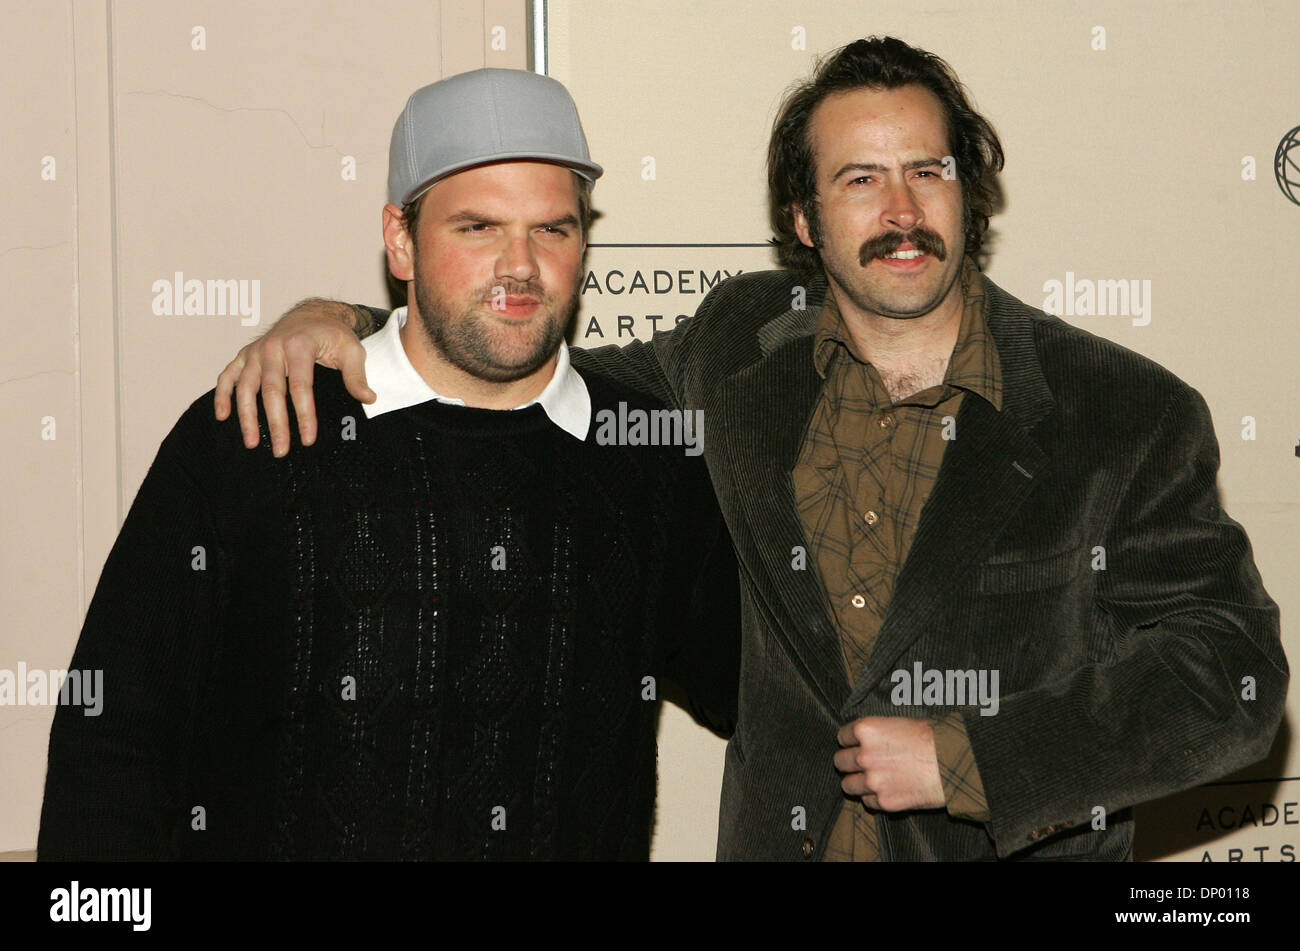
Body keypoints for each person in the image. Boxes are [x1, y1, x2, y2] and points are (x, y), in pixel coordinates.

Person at [213, 38, 1287, 861]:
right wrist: (352, 319)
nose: (902, 209)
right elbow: (536, 367)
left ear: (971, 192)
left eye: (929, 171)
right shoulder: (736, 353)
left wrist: (971, 759)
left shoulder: (1121, 414)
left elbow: (1232, 679)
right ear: (805, 222)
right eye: (859, 180)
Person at [38, 68, 739, 861]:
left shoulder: (647, 455)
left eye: (553, 228)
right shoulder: (259, 426)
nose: (520, 265)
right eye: (477, 228)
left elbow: (765, 686)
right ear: (401, 241)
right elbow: (114, 739)